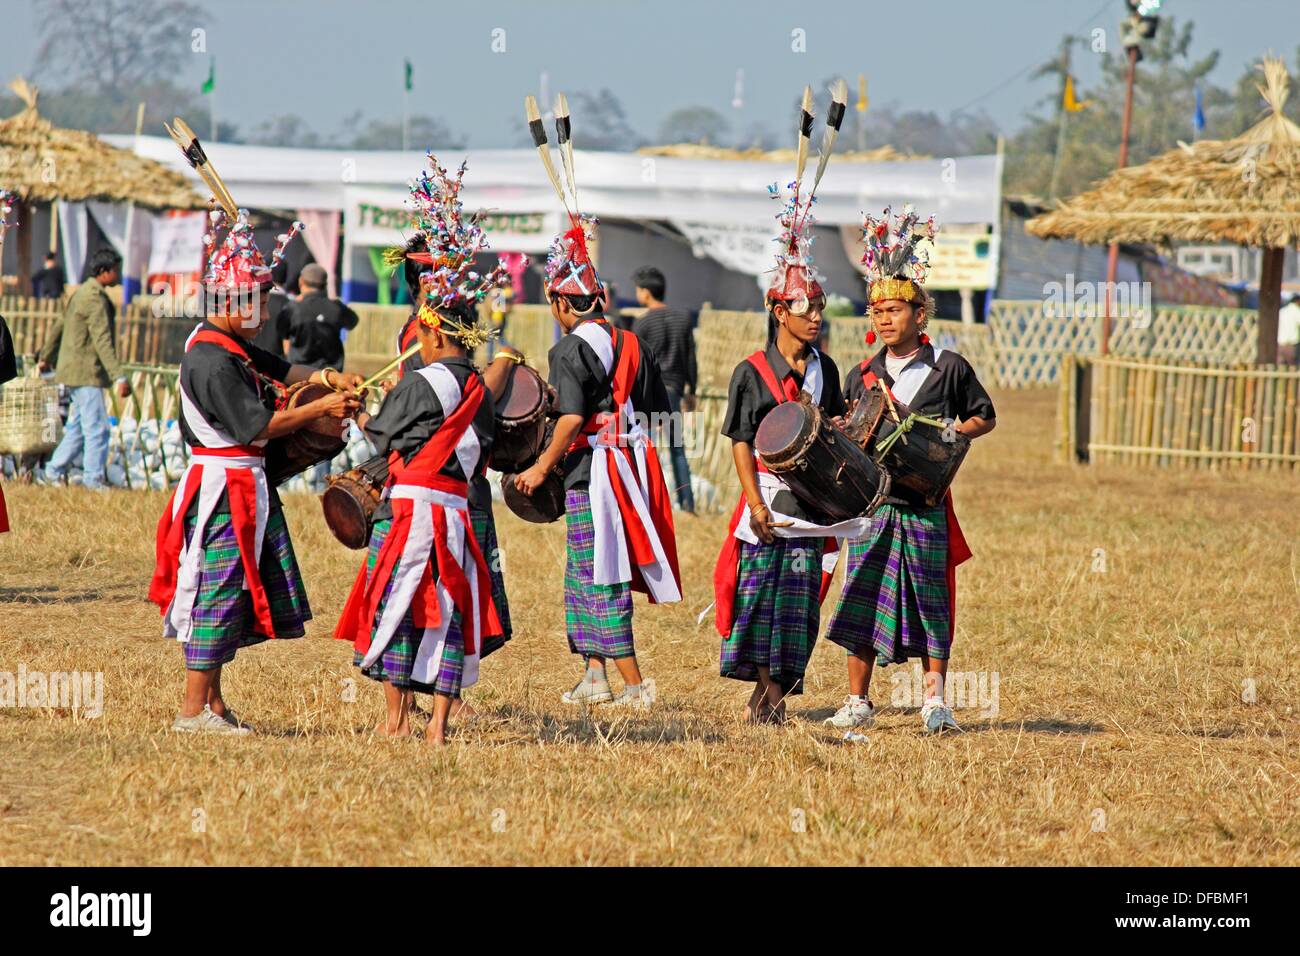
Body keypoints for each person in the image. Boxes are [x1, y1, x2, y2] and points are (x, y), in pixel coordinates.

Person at [149, 208, 363, 736]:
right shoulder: (212, 361)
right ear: (233, 303)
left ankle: (214, 705)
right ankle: (193, 710)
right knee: (216, 592)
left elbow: (281, 368)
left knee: (231, 592)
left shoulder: (225, 342)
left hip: (243, 488)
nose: (267, 313)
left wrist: (331, 376)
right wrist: (319, 410)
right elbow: (258, 427)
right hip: (225, 491)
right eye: (260, 302)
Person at [342, 157, 521, 739]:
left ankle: (412, 708)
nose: (430, 286)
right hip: (430, 481)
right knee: (427, 598)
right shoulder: (417, 338)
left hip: (442, 486)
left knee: (425, 597)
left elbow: (425, 407)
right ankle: (416, 711)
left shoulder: (450, 345)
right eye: (427, 274)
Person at [823, 206, 996, 734]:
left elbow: (983, 417)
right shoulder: (862, 374)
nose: (884, 319)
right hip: (876, 506)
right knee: (862, 596)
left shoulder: (949, 367)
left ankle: (934, 704)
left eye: (895, 310)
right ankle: (858, 702)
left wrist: (944, 440)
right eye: (878, 312)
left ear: (920, 314)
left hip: (925, 504)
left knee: (930, 599)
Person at [514, 216, 680, 708]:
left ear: (561, 303)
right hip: (629, 470)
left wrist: (541, 466)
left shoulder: (567, 349)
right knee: (587, 570)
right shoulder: (633, 343)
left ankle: (634, 685)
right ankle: (594, 674)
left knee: (598, 574)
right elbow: (658, 415)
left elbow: (570, 418)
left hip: (593, 475)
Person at [37, 248, 131, 489]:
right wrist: (118, 375)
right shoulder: (93, 298)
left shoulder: (82, 293)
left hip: (73, 371)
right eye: (115, 270)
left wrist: (47, 356)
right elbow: (102, 340)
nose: (118, 275)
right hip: (85, 371)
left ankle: (53, 470)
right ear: (104, 271)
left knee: (78, 427)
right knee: (97, 428)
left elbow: (60, 324)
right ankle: (93, 479)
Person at [632, 265, 697, 513]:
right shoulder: (683, 319)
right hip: (677, 390)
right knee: (677, 450)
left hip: (653, 393)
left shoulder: (643, 323)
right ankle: (687, 503)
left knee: (647, 449)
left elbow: (639, 364)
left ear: (646, 292)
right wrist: (692, 390)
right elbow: (691, 357)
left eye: (638, 289)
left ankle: (650, 502)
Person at [282, 262, 359, 369]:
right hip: (330, 377)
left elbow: (285, 342)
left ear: (301, 281)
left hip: (299, 375)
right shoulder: (337, 308)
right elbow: (353, 322)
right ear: (325, 285)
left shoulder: (292, 308)